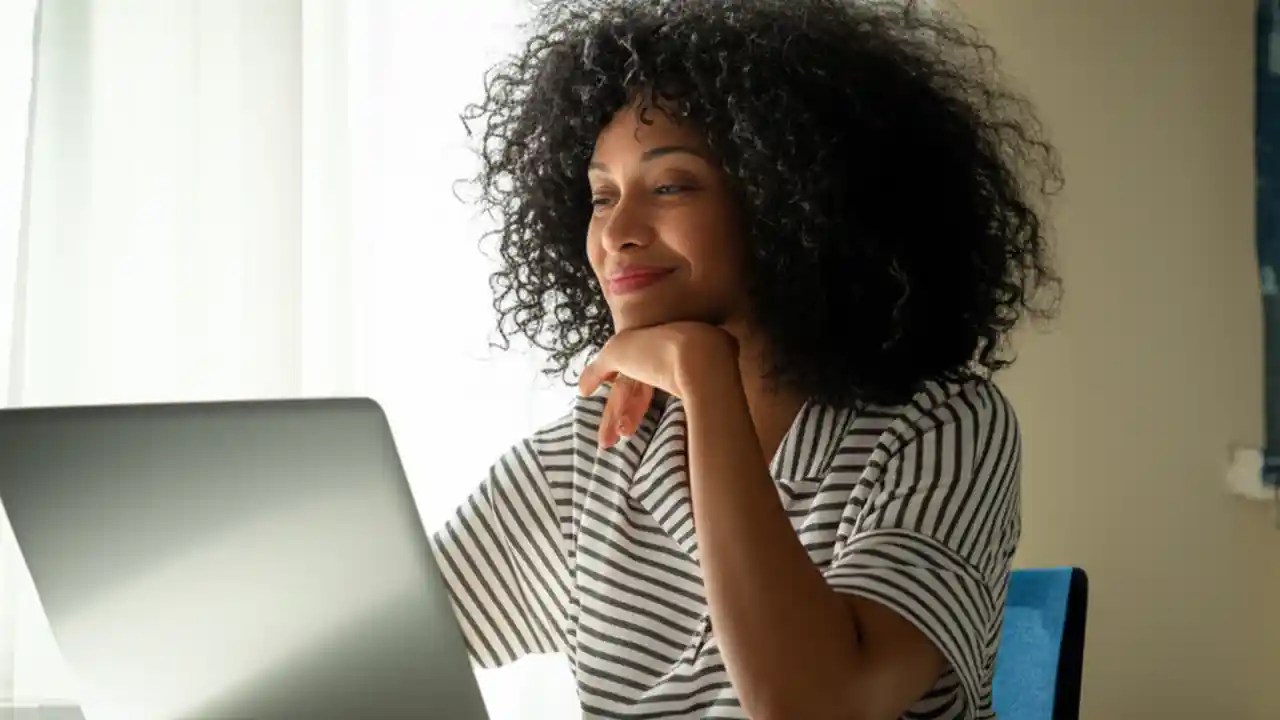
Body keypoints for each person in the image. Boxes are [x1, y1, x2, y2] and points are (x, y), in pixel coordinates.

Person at [430, 0, 1061, 717]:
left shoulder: (939, 425)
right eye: (602, 196)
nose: (617, 234)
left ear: (788, 200)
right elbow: (375, 648)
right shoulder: (591, 455)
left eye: (670, 186)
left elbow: (818, 706)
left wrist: (706, 381)